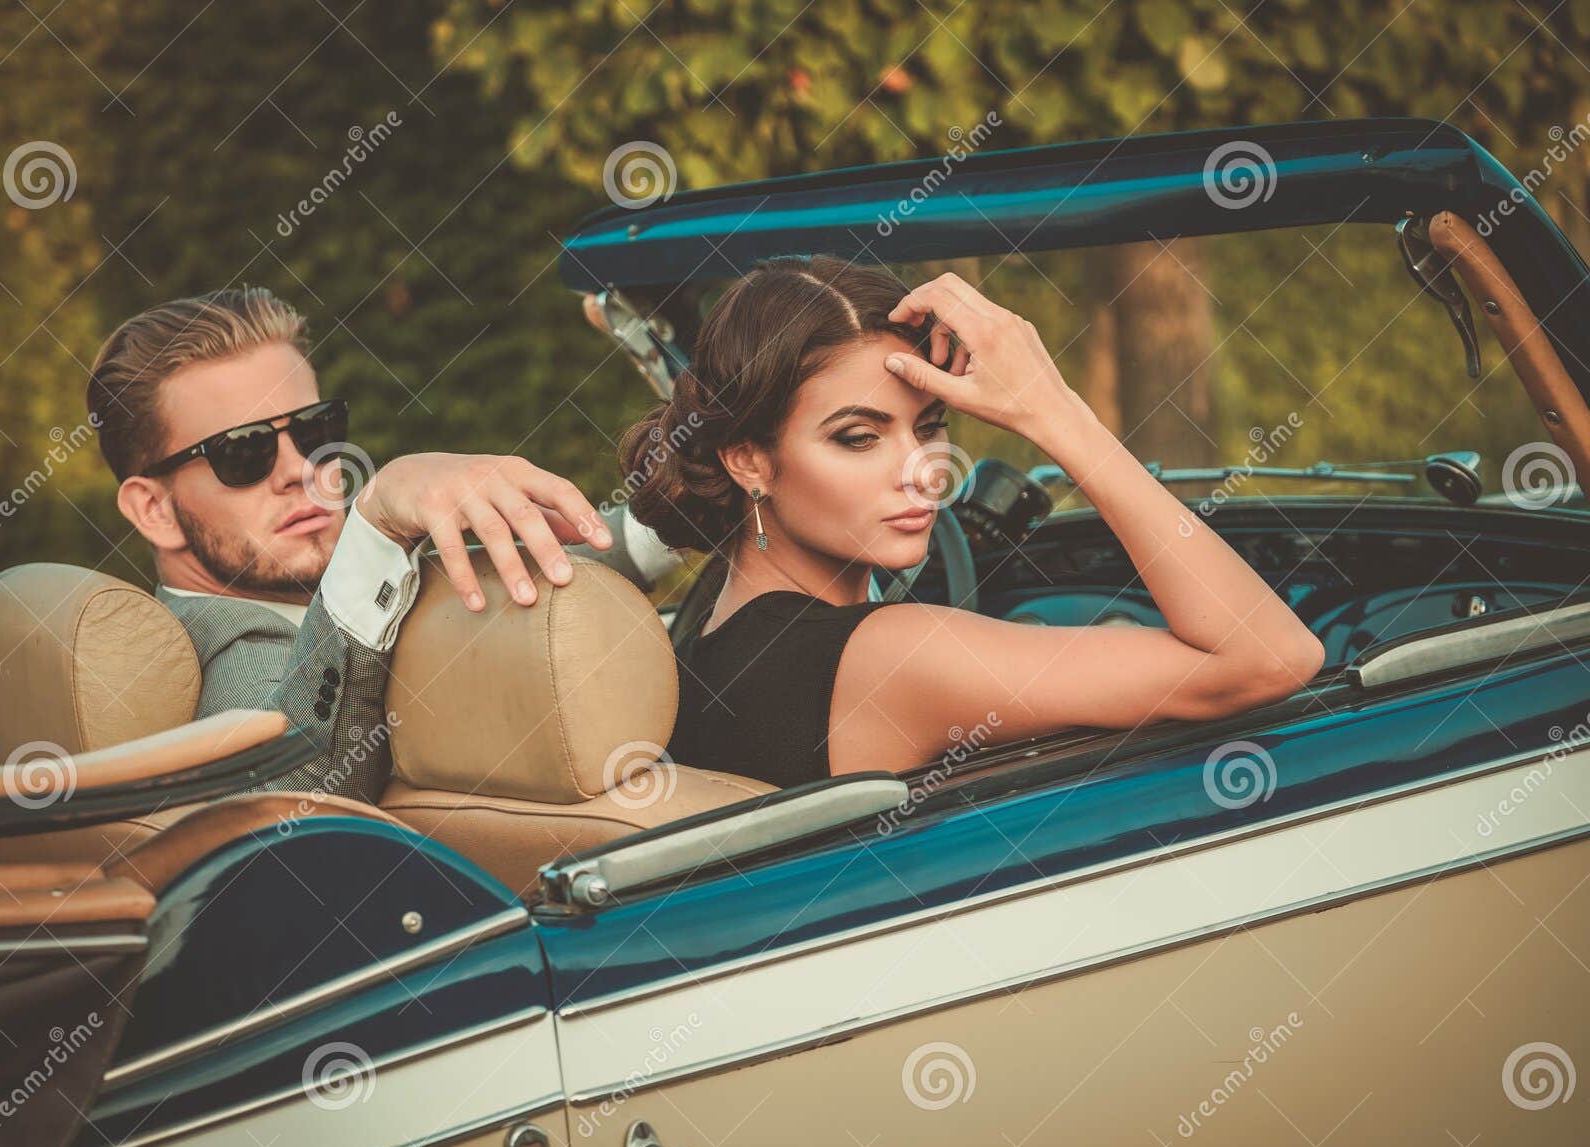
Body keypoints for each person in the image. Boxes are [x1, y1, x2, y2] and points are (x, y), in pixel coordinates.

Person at [620, 257, 1324, 788]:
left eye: (930, 427)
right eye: (858, 437)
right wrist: (1055, 411)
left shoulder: (702, 640)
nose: (925, 472)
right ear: (749, 460)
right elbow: (1268, 657)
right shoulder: (894, 656)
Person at [92, 286, 680, 803]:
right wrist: (373, 527)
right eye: (242, 451)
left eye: (314, 430)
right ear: (154, 510)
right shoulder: (208, 661)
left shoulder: (346, 603)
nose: (302, 469)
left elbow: (501, 590)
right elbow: (285, 805)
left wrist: (677, 514)